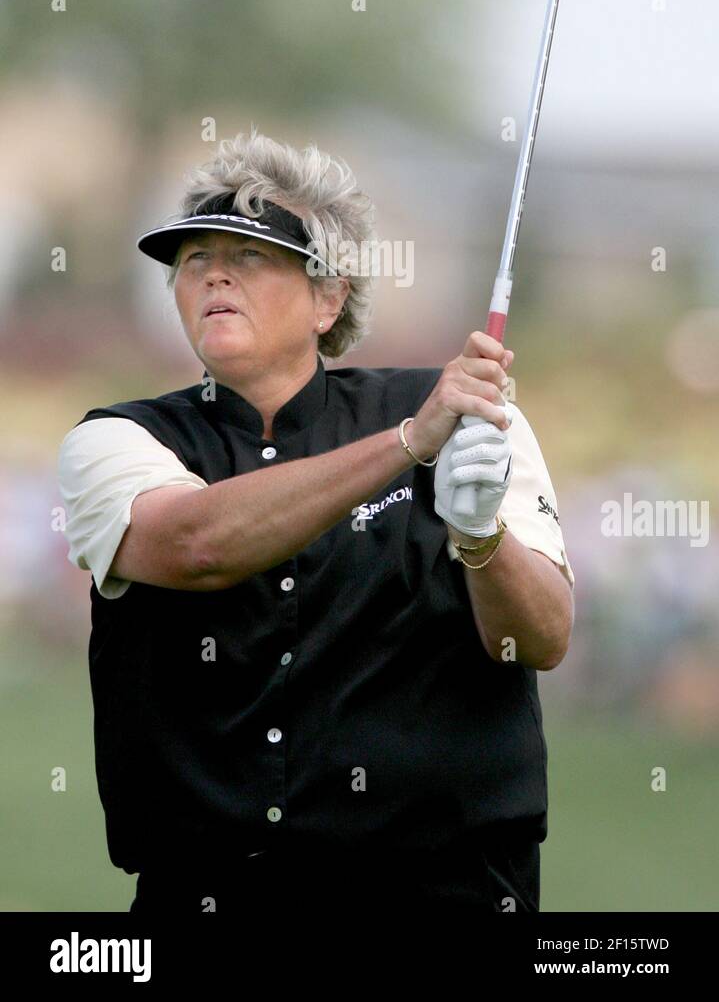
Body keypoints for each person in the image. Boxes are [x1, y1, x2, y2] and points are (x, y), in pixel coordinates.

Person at [57, 127, 574, 922]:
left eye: (252, 255)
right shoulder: (114, 441)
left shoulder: (472, 422)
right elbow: (196, 545)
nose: (213, 273)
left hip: (446, 893)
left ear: (328, 299)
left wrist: (480, 540)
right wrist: (408, 447)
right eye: (193, 259)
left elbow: (540, 638)